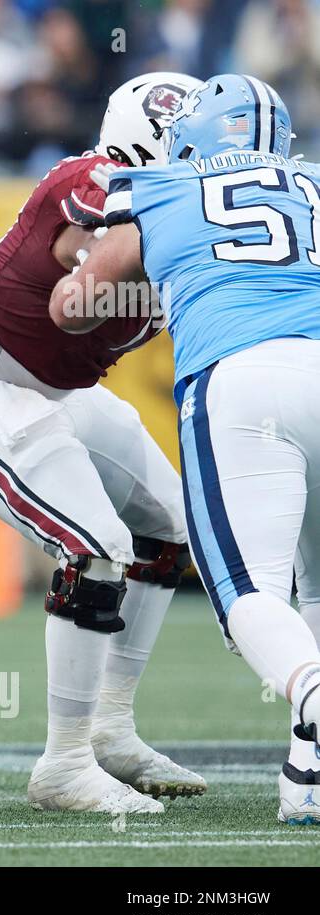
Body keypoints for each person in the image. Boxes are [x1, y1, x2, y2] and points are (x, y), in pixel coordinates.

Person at [0, 73, 207, 814]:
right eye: (201, 146)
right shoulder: (93, 182)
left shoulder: (186, 213)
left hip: (56, 391)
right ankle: (64, 762)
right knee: (93, 544)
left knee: (168, 524)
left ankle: (110, 728)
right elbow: (87, 245)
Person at [52, 74, 320, 824]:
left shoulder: (158, 184)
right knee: (318, 582)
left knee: (248, 595)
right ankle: (309, 769)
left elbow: (74, 308)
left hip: (243, 377)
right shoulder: (314, 180)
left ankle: (315, 701)